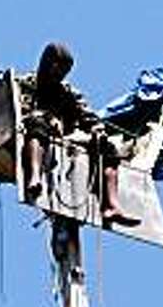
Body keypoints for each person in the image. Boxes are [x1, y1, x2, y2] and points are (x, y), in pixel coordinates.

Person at [19, 42, 137, 226]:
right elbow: (20, 112)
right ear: (47, 64)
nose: (59, 75)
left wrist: (97, 129)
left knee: (108, 147)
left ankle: (110, 205)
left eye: (63, 72)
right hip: (38, 133)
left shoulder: (68, 92)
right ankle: (34, 177)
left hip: (67, 139)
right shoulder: (28, 83)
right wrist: (48, 119)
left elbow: (88, 116)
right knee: (37, 123)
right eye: (56, 68)